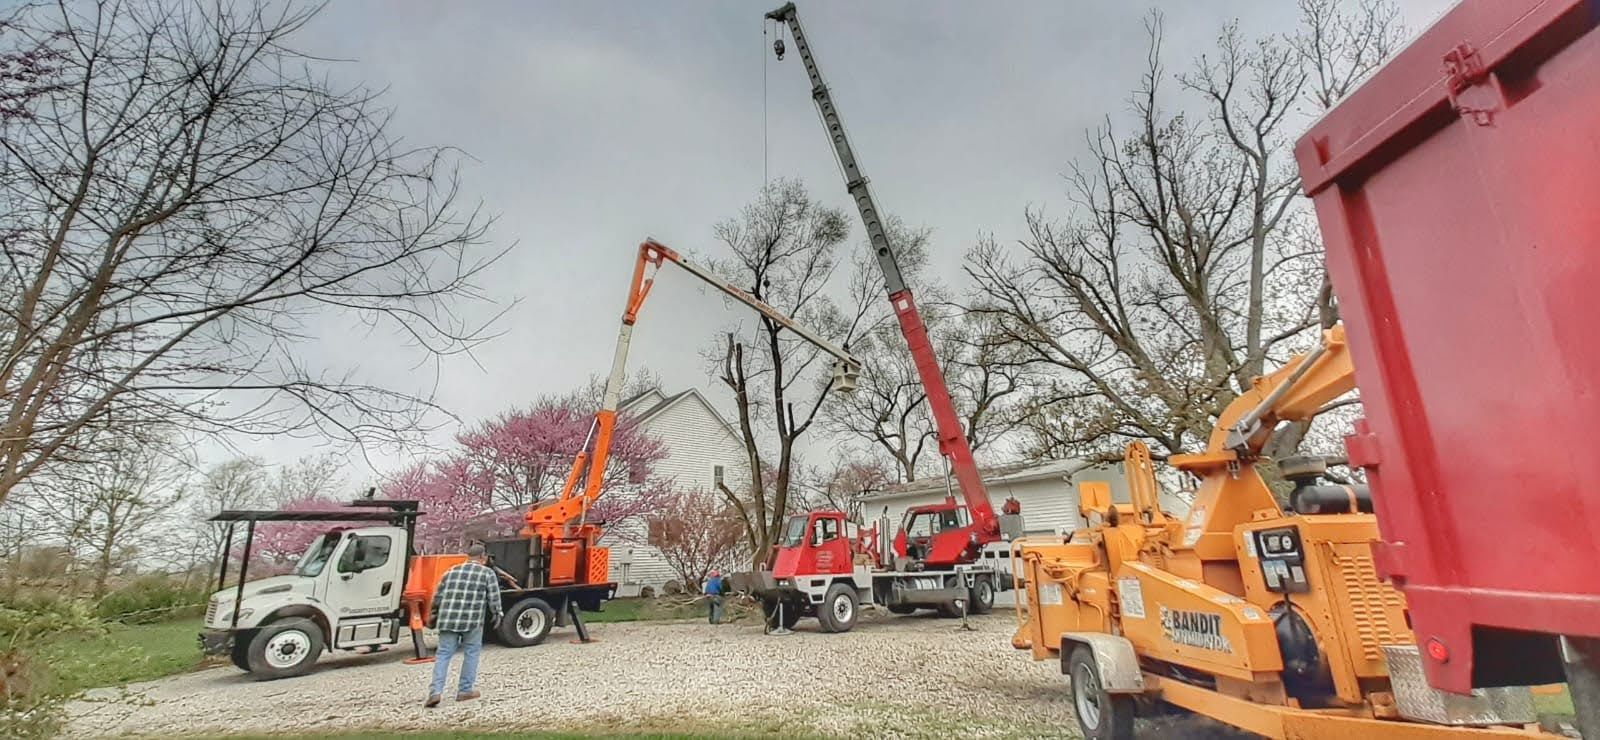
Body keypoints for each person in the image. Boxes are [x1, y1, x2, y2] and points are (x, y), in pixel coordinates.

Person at [425, 544, 503, 707]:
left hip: (448, 619)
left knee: (443, 654)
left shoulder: (451, 571)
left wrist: (434, 614)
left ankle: (435, 692)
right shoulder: (487, 573)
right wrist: (497, 614)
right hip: (472, 620)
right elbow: (494, 598)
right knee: (471, 653)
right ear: (483, 557)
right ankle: (465, 690)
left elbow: (438, 597)